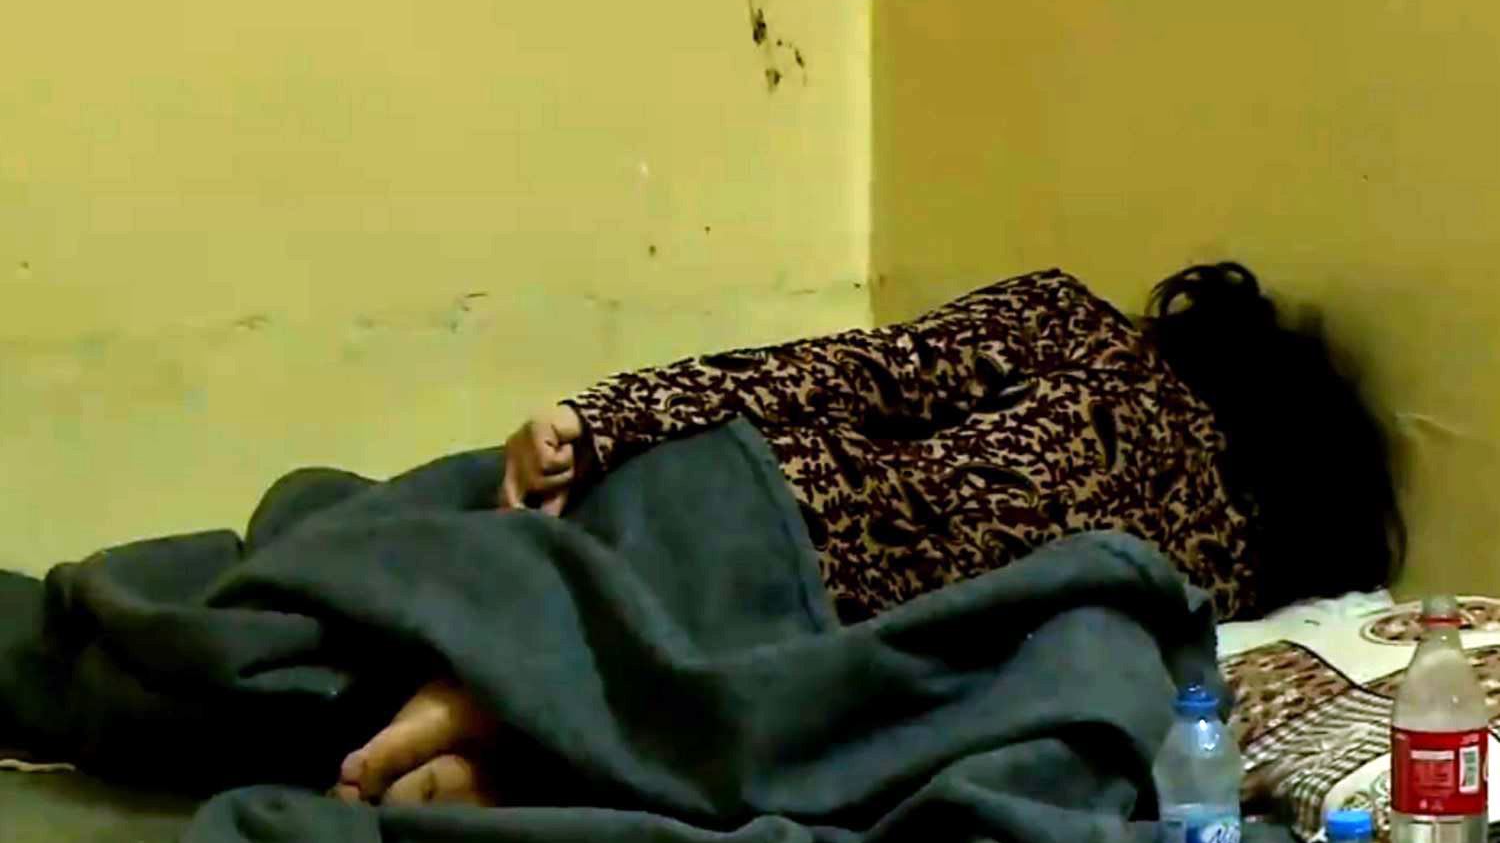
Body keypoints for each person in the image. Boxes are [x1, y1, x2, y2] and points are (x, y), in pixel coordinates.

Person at [331, 264, 1404, 806]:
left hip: (754, 513)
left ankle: (488, 683)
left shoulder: (1084, 331)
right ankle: (521, 740)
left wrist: (601, 416)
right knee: (689, 705)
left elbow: (854, 372)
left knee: (404, 546)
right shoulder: (1221, 564)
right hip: (824, 668)